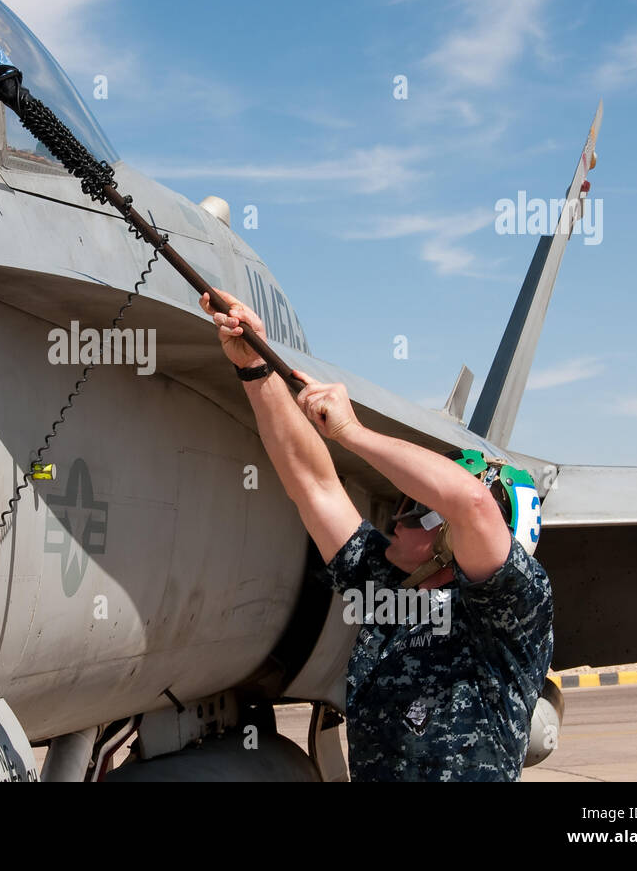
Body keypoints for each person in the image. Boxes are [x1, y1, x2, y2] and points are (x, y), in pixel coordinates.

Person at [200, 289, 553, 781]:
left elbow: (472, 504)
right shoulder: (387, 586)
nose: (399, 519)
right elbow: (314, 486)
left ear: (455, 539)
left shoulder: (508, 612)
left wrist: (352, 432)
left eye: (420, 510)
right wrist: (256, 368)